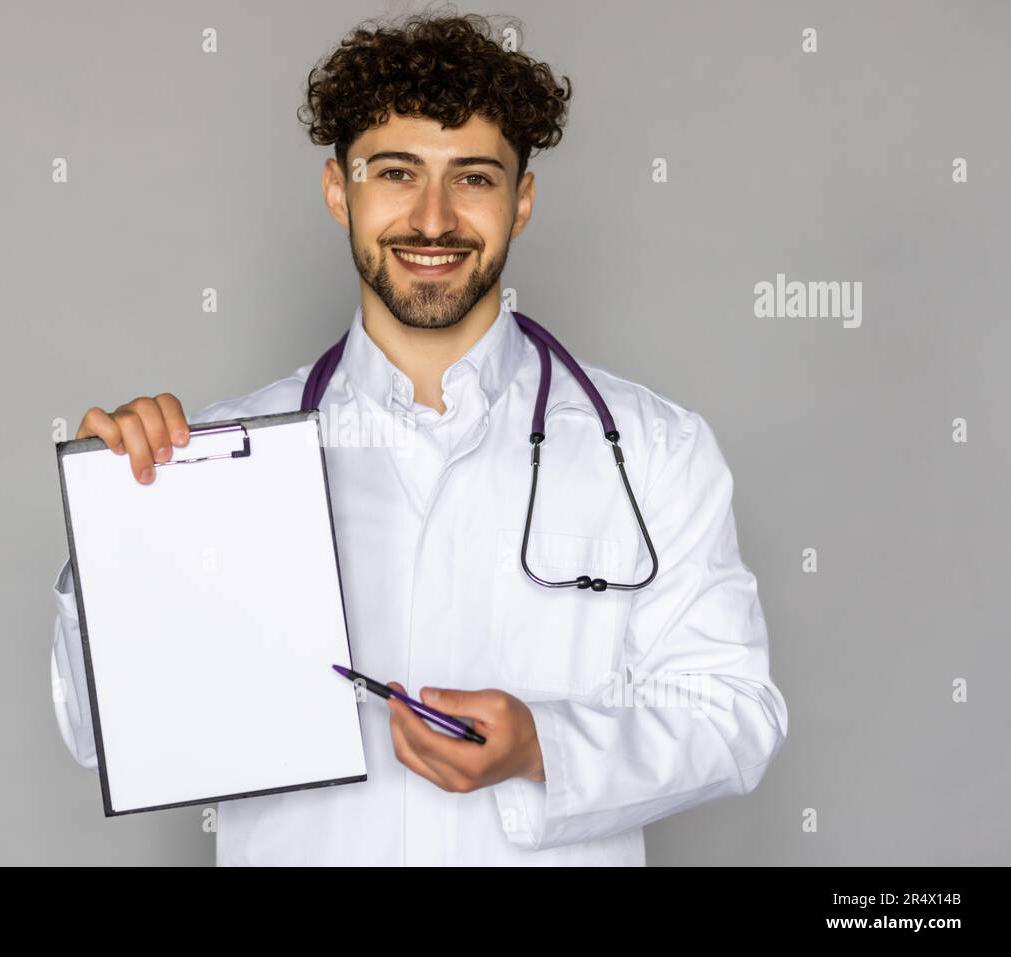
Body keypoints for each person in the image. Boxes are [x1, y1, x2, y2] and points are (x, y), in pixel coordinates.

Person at [49, 11, 788, 865]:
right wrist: (114, 525)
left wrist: (544, 746)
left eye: (473, 177)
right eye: (396, 172)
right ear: (339, 192)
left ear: (523, 200)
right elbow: (101, 732)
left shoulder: (654, 448)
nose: (432, 219)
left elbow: (737, 713)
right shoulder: (212, 459)